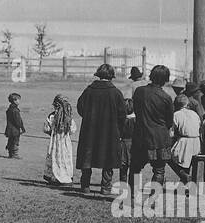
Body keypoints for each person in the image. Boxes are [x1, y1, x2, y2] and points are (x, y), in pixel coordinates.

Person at [76, 63, 127, 194]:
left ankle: (85, 185)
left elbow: (80, 108)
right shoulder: (116, 93)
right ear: (111, 76)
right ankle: (106, 187)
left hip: (89, 130)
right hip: (109, 131)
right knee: (108, 157)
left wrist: (88, 117)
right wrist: (119, 130)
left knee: (87, 157)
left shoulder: (89, 90)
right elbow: (122, 115)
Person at [130, 65, 176, 188]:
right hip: (160, 138)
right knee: (159, 170)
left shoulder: (139, 91)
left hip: (140, 136)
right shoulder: (166, 98)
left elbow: (135, 110)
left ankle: (132, 196)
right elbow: (169, 122)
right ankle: (154, 198)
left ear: (151, 76)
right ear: (166, 79)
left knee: (135, 168)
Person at [43, 93, 76, 185]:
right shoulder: (69, 118)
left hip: (55, 142)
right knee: (65, 159)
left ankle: (55, 177)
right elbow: (73, 130)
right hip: (65, 142)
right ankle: (66, 177)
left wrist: (52, 133)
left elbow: (46, 129)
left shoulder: (51, 116)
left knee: (55, 158)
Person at [169, 95, 200, 185]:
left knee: (168, 157)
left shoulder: (176, 115)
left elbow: (171, 133)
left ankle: (184, 176)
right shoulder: (194, 114)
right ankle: (185, 182)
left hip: (184, 141)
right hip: (196, 141)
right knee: (187, 161)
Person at [4, 92, 25, 159]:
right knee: (15, 142)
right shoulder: (15, 110)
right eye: (18, 100)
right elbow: (18, 121)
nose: (19, 101)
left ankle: (10, 154)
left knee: (10, 141)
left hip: (9, 129)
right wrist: (22, 128)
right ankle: (15, 154)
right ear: (14, 100)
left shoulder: (9, 109)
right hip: (15, 130)